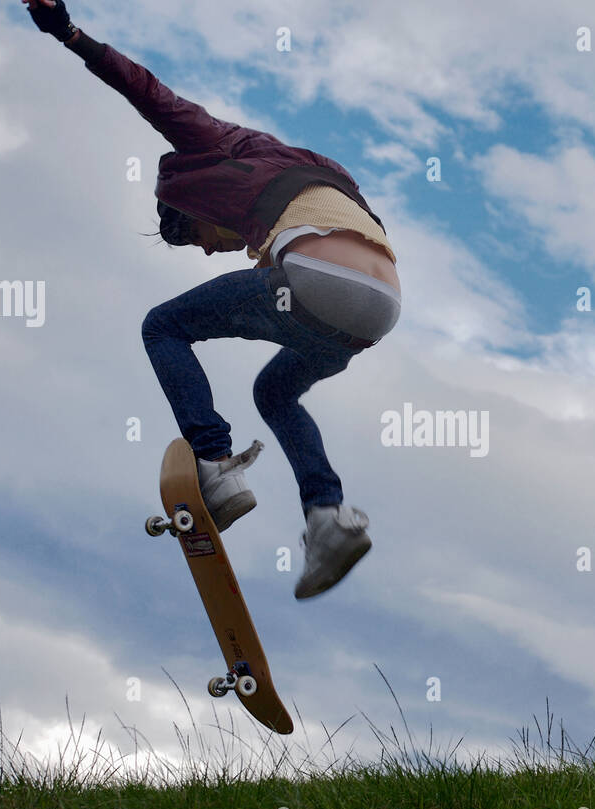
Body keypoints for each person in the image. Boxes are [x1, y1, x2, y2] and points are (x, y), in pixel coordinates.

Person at [24, 0, 401, 598]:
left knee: (164, 326)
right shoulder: (319, 169)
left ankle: (217, 464)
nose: (209, 251)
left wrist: (68, 34)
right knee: (274, 393)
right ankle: (327, 517)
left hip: (316, 283)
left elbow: (150, 94)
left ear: (198, 207)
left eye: (199, 236)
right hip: (377, 310)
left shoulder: (218, 145)